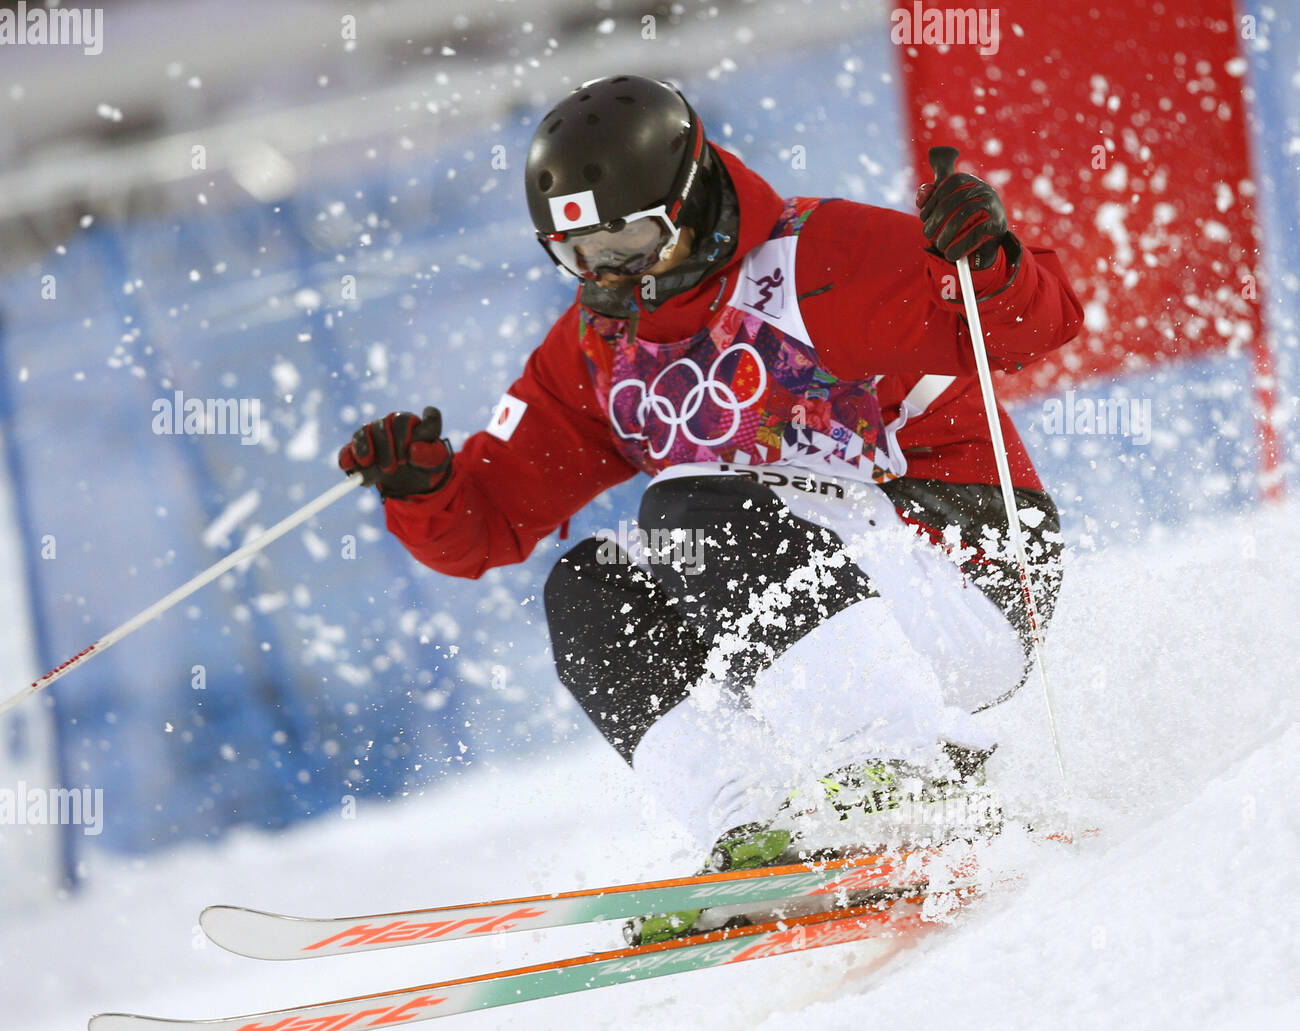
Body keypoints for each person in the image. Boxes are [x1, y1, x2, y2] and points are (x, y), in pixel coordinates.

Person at [339, 75, 1084, 935]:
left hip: (968, 567)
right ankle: (751, 825)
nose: (609, 274)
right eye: (578, 254)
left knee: (687, 504)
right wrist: (426, 489)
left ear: (689, 196)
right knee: (589, 582)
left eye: (628, 241)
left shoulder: (816, 256)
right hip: (829, 599)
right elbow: (488, 524)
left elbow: (1035, 328)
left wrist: (985, 261)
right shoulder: (599, 344)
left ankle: (912, 769)